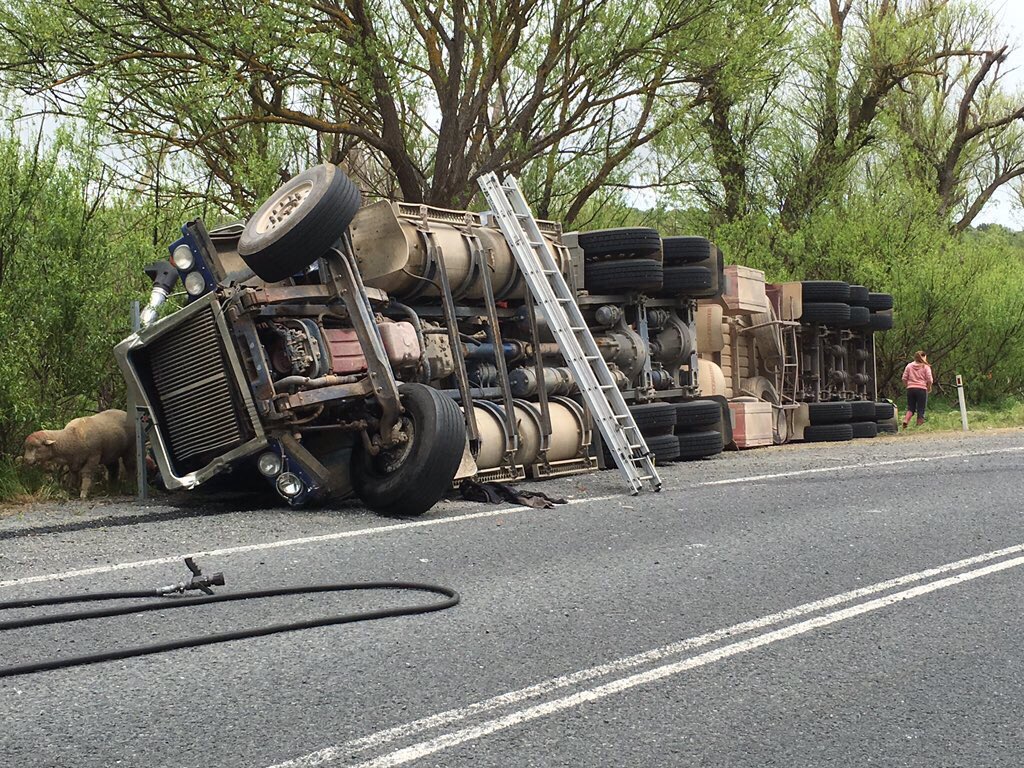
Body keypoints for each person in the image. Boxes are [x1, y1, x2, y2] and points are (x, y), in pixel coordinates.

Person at [901, 350, 933, 429]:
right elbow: (930, 380)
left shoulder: (909, 366)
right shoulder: (926, 367)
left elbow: (904, 378)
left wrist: (907, 386)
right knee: (921, 408)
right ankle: (919, 426)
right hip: (921, 389)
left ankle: (906, 420)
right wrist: (929, 387)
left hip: (910, 389)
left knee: (911, 408)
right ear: (924, 357)